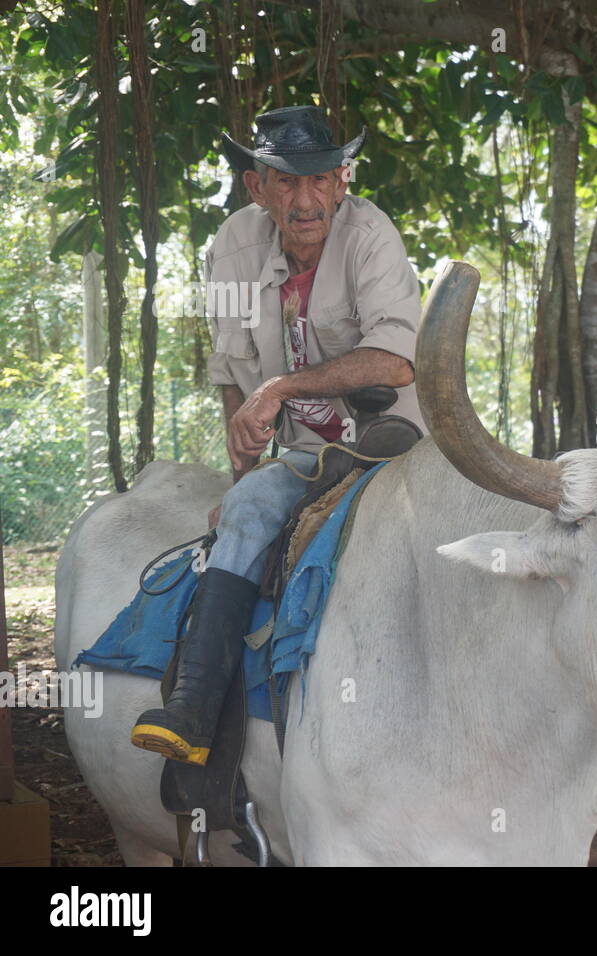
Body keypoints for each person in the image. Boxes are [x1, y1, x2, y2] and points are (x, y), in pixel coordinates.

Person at [131, 105, 425, 765]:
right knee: (245, 513)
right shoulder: (232, 247)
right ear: (256, 187)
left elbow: (396, 361)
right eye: (286, 182)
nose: (306, 198)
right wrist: (243, 482)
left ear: (342, 180)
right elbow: (231, 374)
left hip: (394, 435)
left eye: (321, 178)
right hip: (303, 453)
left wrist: (280, 389)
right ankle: (194, 710)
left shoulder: (372, 235)